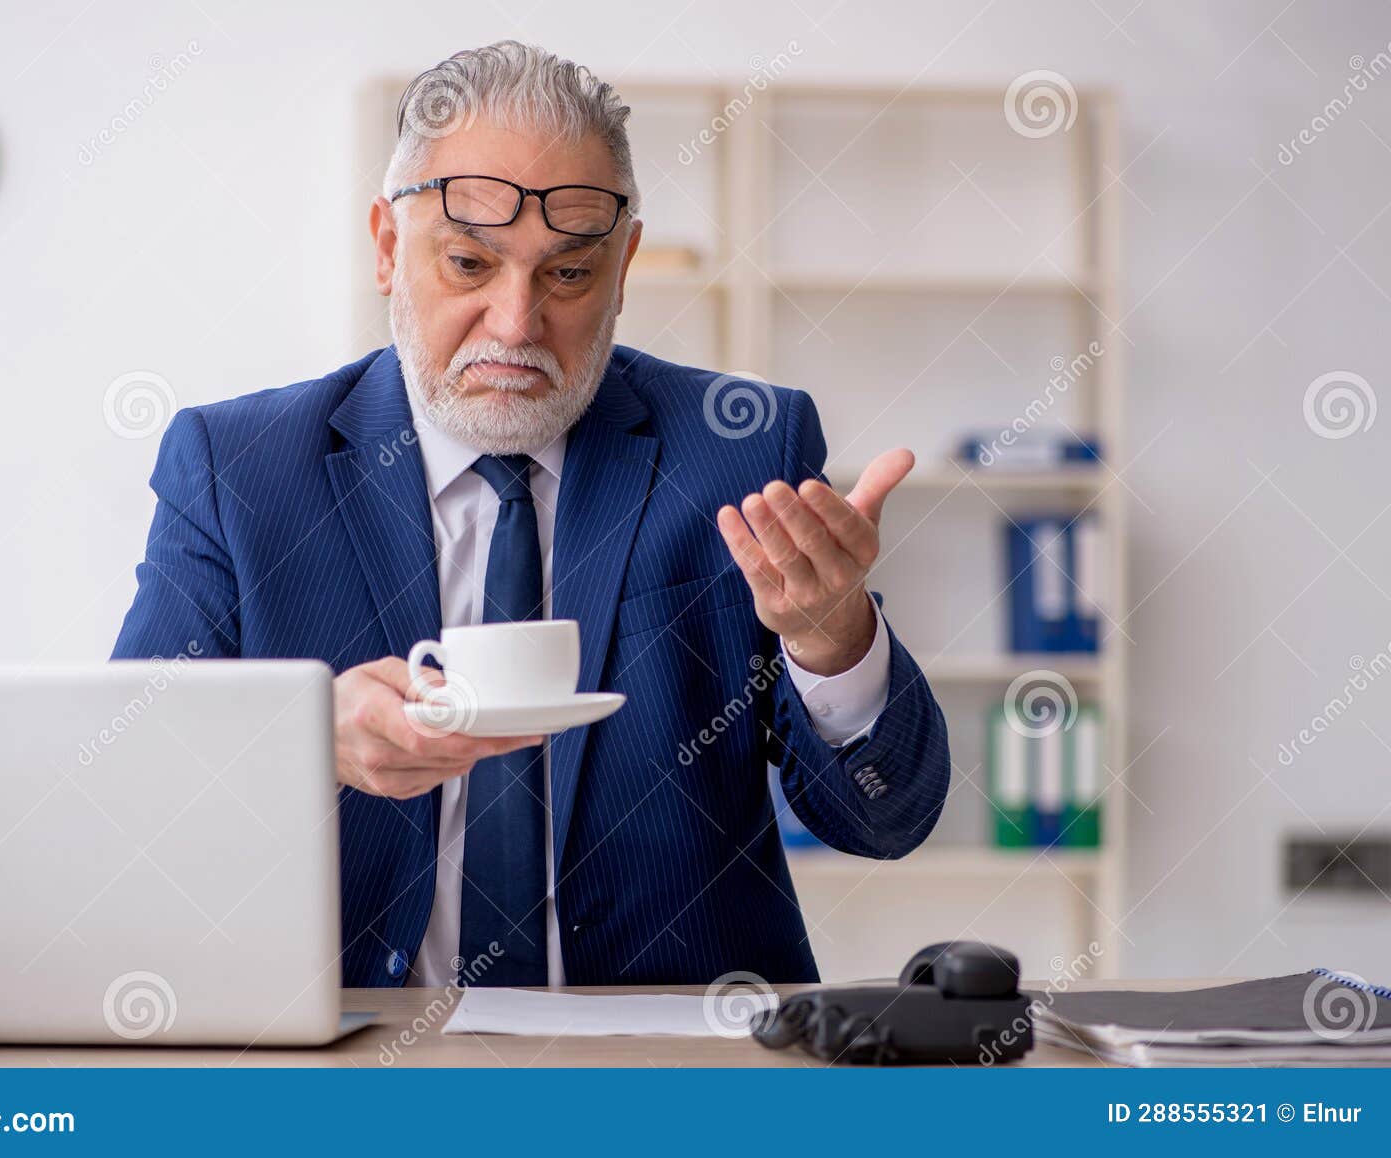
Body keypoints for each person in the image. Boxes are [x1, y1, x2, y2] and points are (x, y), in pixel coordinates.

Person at [113, 40, 950, 989]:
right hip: (346, 1044)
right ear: (388, 247)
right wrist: (299, 739)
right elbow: (129, 784)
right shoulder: (240, 469)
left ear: (622, 268)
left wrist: (833, 641)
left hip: (673, 1047)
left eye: (568, 275)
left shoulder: (744, 450)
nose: (515, 324)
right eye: (470, 262)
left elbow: (886, 820)